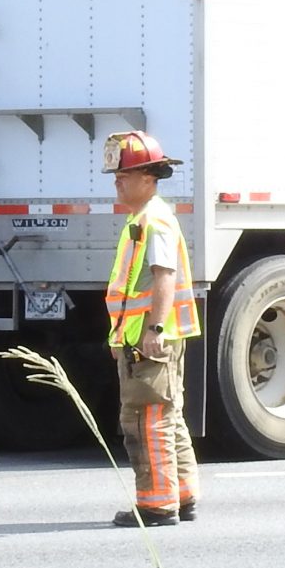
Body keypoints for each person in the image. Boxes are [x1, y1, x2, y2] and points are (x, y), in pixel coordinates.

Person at [103, 130, 201, 527]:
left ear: (147, 178)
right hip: (144, 337)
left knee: (146, 420)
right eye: (116, 176)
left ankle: (157, 505)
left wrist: (155, 329)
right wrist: (120, 335)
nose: (117, 182)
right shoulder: (144, 219)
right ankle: (182, 495)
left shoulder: (154, 221)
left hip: (152, 340)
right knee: (167, 416)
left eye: (123, 176)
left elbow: (164, 276)